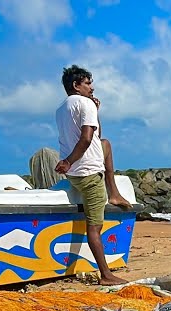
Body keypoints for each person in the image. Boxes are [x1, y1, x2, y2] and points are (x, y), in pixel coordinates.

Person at [54, 64, 128, 285]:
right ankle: (105, 275)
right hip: (87, 172)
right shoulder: (84, 103)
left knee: (106, 144)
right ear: (76, 85)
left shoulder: (62, 109)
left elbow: (96, 138)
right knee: (94, 225)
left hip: (76, 172)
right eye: (87, 83)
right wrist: (68, 161)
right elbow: (86, 139)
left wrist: (96, 112)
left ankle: (113, 192)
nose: (92, 88)